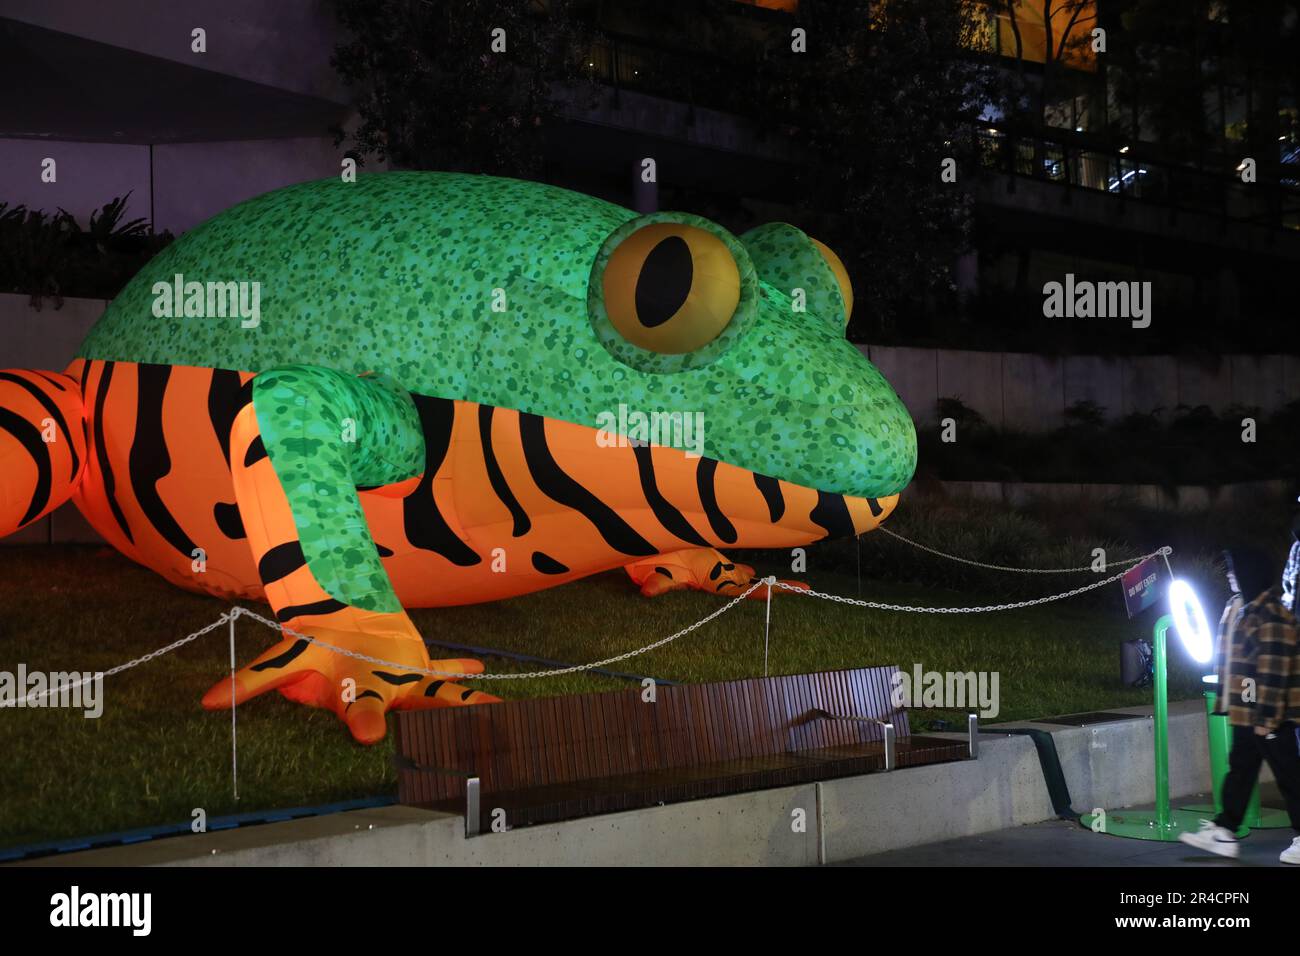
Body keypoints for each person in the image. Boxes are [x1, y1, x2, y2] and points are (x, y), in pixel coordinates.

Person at [1180, 547, 1300, 864]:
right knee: (1241, 771)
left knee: (1290, 776)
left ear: (1251, 573)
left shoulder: (1271, 613)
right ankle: (1224, 831)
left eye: (1235, 569)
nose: (1230, 574)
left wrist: (1268, 718)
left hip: (1269, 714)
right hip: (1249, 712)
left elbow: (1275, 669)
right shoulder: (1244, 607)